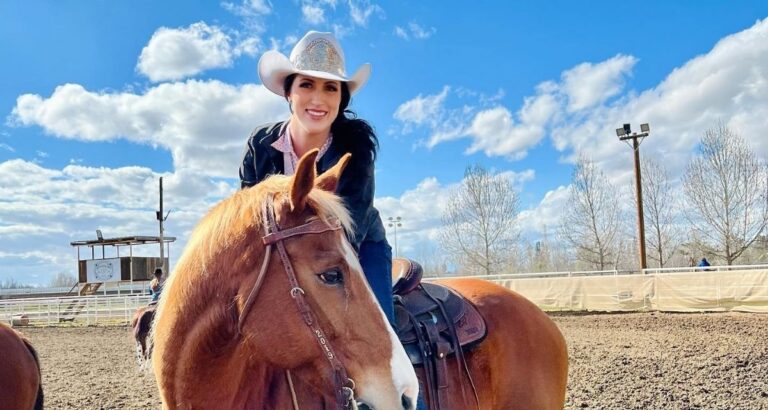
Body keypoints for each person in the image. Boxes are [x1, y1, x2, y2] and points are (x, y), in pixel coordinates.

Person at [239, 31, 394, 324]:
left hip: (356, 247)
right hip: (279, 256)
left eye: (331, 88)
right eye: (307, 85)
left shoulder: (357, 148)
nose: (318, 99)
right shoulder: (259, 146)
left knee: (380, 331)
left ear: (341, 98)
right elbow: (247, 220)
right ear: (288, 92)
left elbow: (350, 228)